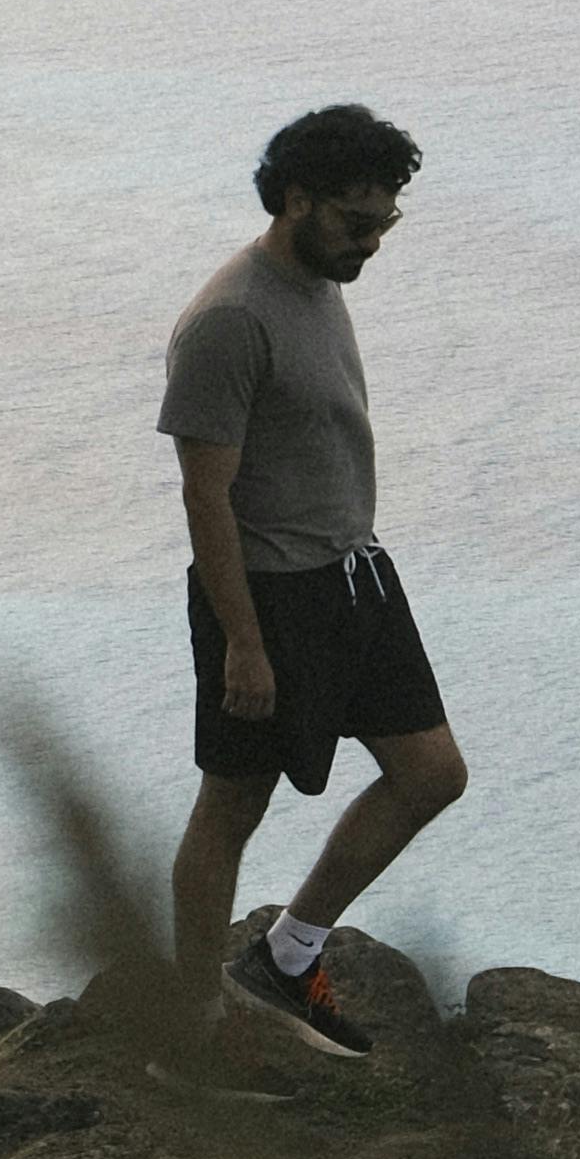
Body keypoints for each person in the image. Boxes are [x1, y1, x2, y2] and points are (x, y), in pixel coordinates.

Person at [158, 99, 466, 1061]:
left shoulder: (321, 283)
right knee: (232, 803)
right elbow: (205, 499)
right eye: (355, 222)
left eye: (385, 222)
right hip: (270, 596)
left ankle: (286, 957)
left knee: (431, 775)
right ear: (296, 201)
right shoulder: (229, 321)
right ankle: (194, 1027)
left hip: (354, 576)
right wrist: (244, 643)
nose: (372, 244)